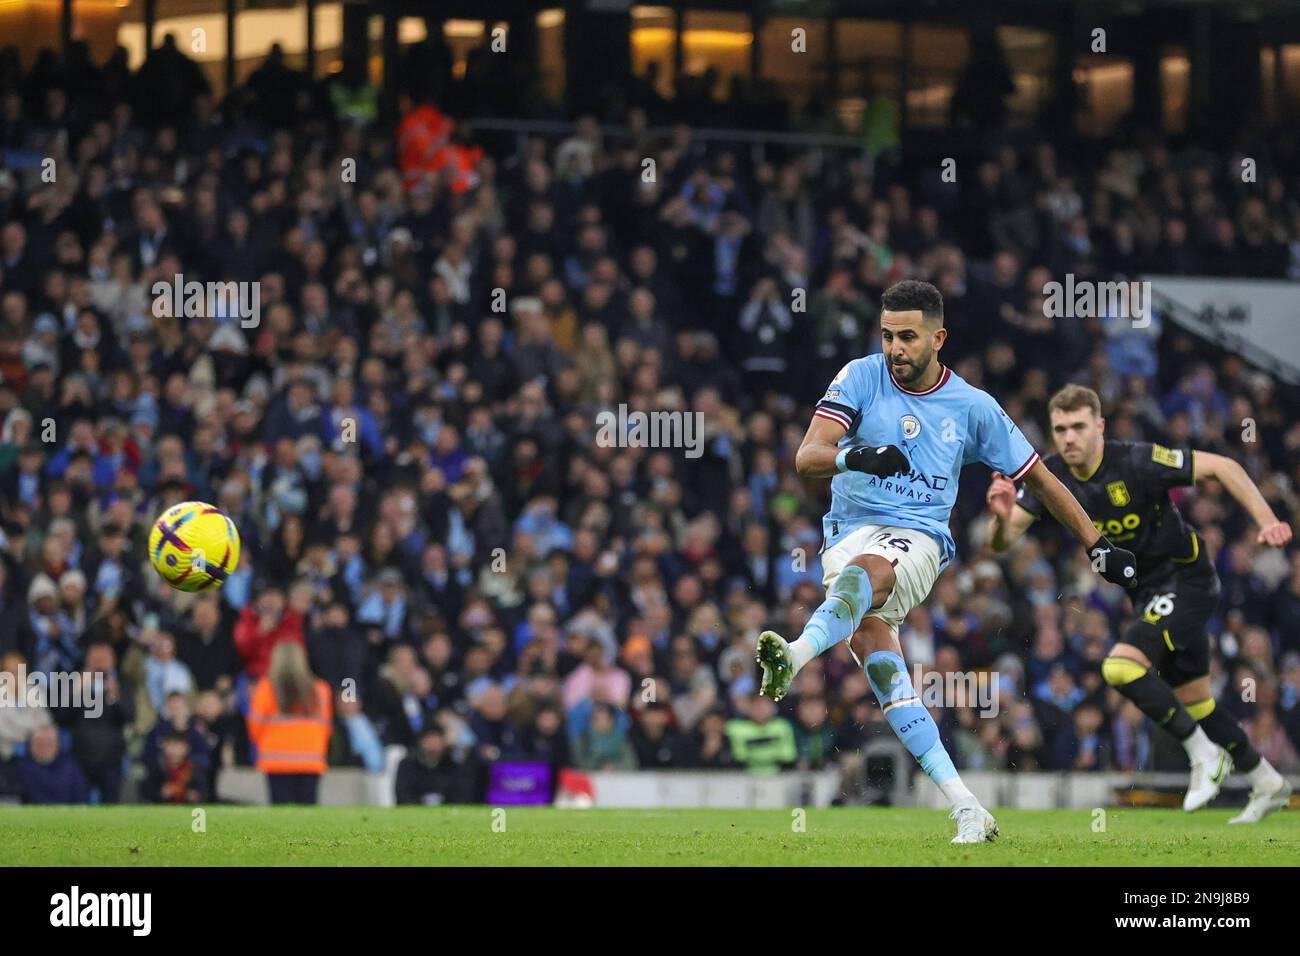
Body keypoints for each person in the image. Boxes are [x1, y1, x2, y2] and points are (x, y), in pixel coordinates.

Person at [754, 279, 1138, 844]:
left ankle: (794, 652)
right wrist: (857, 454)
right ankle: (967, 807)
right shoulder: (860, 376)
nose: (894, 349)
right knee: (888, 675)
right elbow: (807, 457)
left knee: (870, 574)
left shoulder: (973, 407)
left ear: (939, 337)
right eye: (887, 335)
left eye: (907, 337)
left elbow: (1041, 477)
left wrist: (1096, 543)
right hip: (846, 533)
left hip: (919, 537)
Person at [986, 383, 1293, 822]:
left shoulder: (1136, 460)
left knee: (1120, 667)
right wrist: (999, 520)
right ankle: (1266, 781)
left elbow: (1224, 467)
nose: (1069, 437)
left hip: (1187, 579)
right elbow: (1003, 542)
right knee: (1198, 701)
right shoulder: (1050, 476)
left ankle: (1203, 753)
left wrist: (1267, 521)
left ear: (1100, 427)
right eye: (1060, 429)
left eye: (1078, 427)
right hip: (1147, 594)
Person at [246, 641, 332, 805]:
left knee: (280, 815)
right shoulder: (321, 689)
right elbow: (326, 727)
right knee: (307, 817)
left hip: (276, 760)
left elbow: (254, 726)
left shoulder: (265, 688)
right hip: (310, 760)